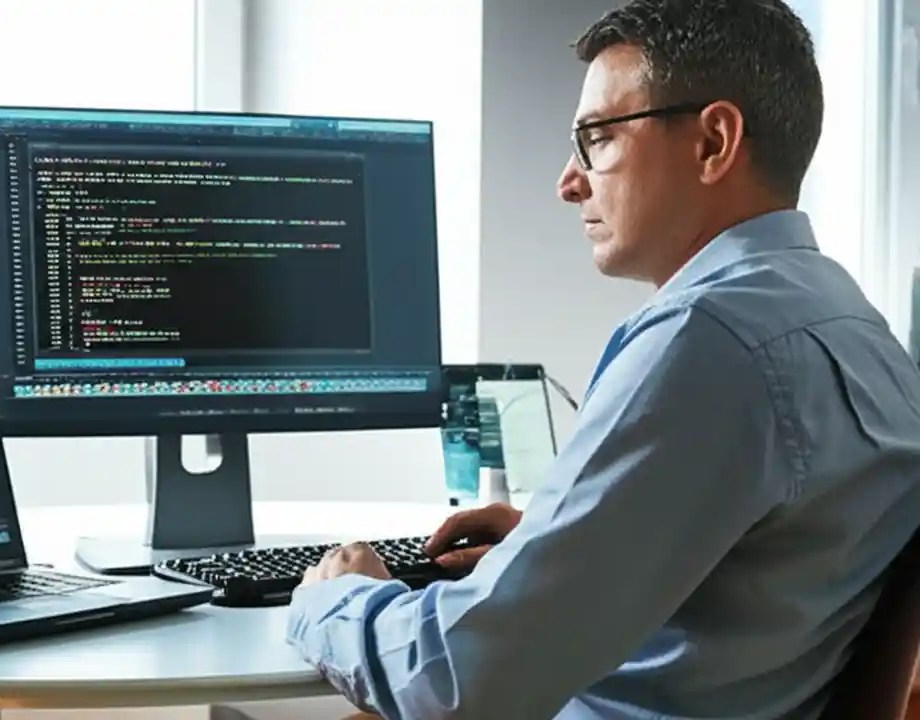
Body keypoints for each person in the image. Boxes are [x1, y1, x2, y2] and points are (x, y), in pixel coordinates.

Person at [285, 1, 920, 718]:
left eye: (596, 138)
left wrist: (336, 598)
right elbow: (773, 568)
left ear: (714, 141)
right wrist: (566, 540)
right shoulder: (853, 324)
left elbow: (457, 681)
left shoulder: (708, 339)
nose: (568, 181)